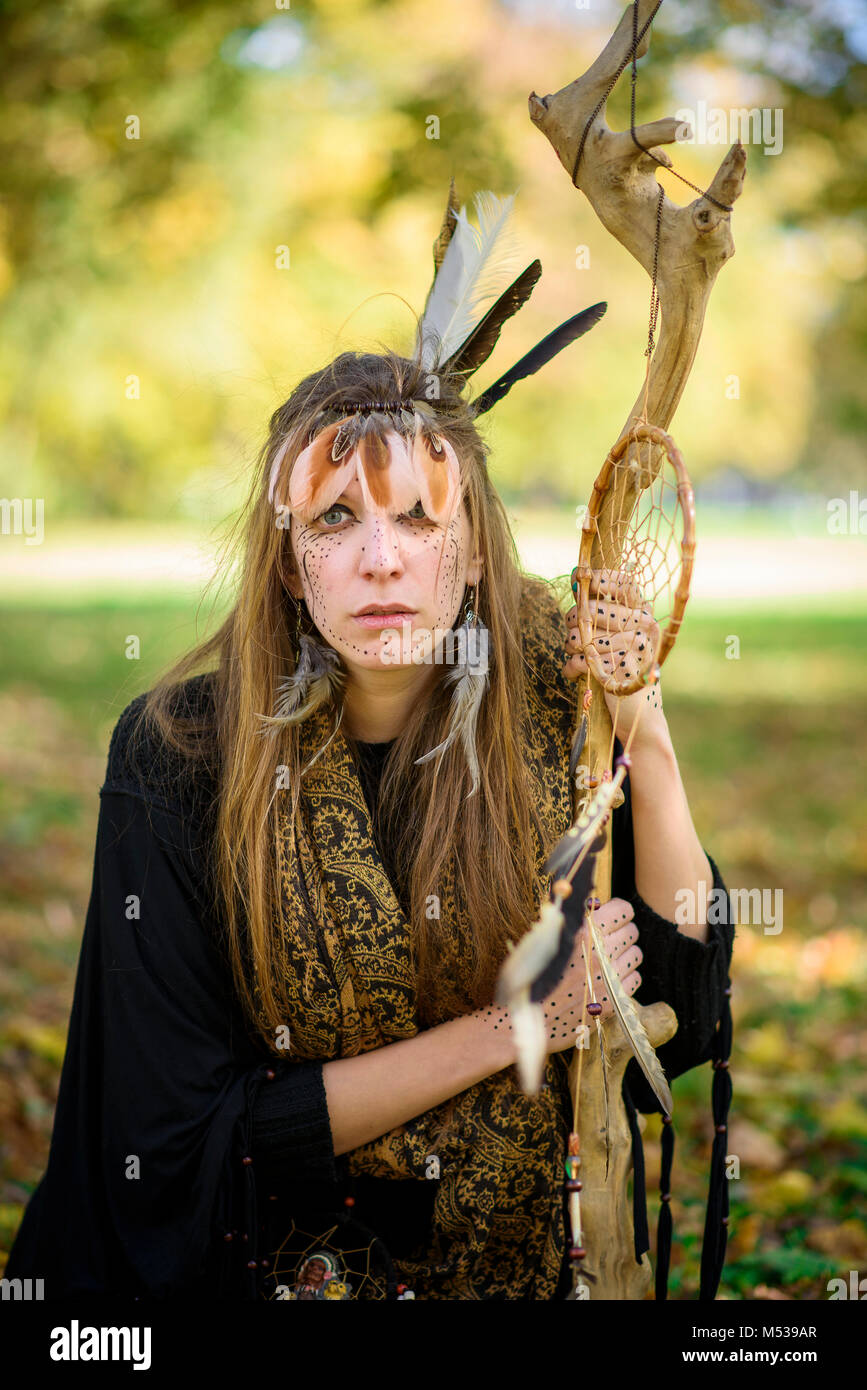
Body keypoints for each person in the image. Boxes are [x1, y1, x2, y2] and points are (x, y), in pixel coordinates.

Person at [4, 344, 734, 1301]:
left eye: (419, 517)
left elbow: (678, 1010)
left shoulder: (566, 723)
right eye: (335, 517)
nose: (381, 557)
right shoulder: (176, 756)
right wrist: (518, 1023)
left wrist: (646, 725)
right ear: (288, 561)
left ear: (470, 548)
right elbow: (180, 1140)